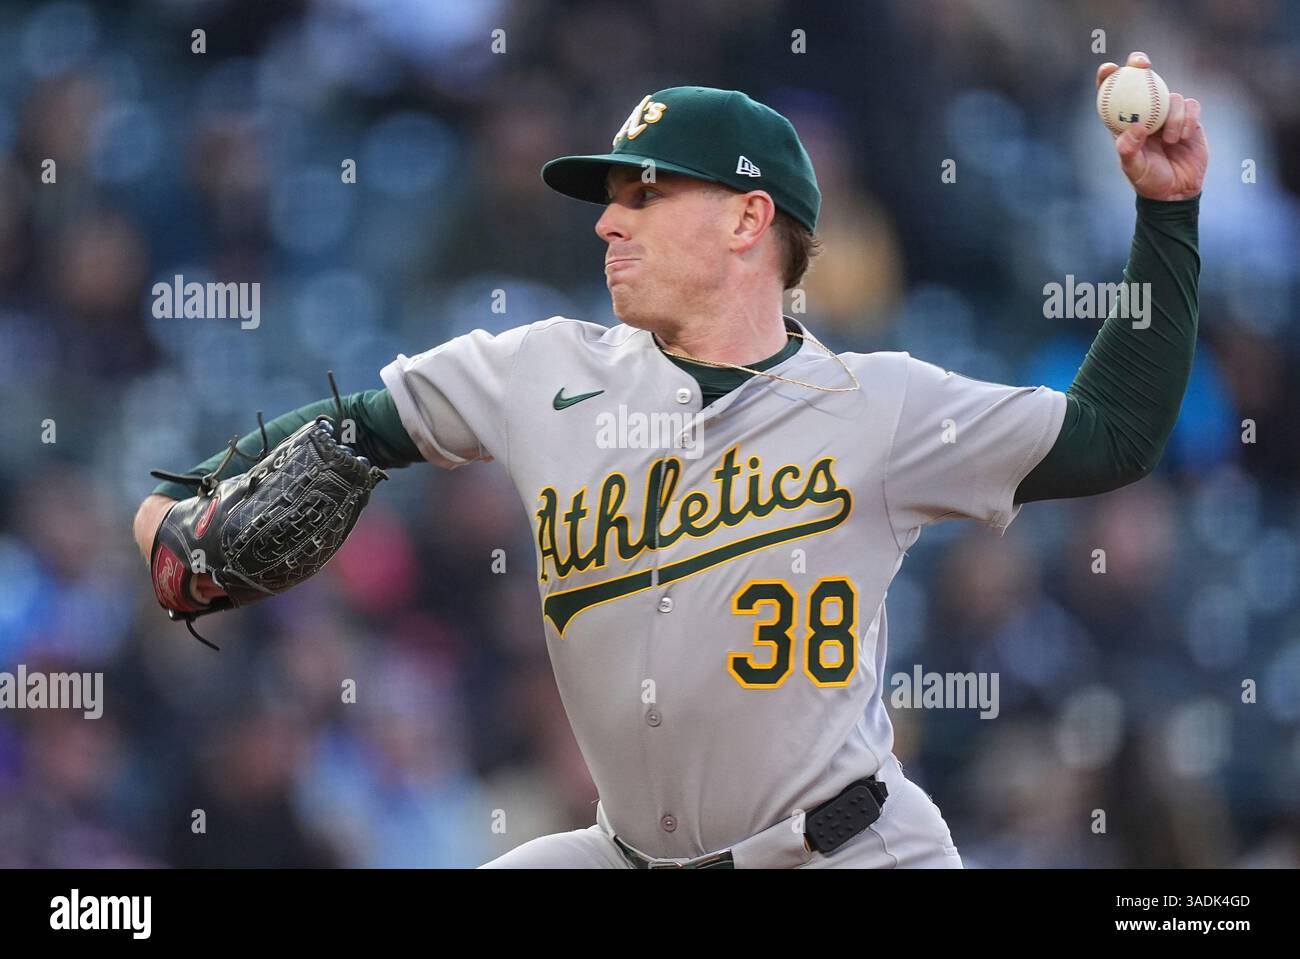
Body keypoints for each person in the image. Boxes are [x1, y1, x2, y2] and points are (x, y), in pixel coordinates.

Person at [135, 57, 1207, 868]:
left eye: (645, 194)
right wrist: (174, 504)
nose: (606, 221)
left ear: (749, 219)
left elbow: (1112, 431)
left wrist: (1164, 215)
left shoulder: (880, 405)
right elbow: (347, 429)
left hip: (846, 850)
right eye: (611, 197)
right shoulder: (537, 370)